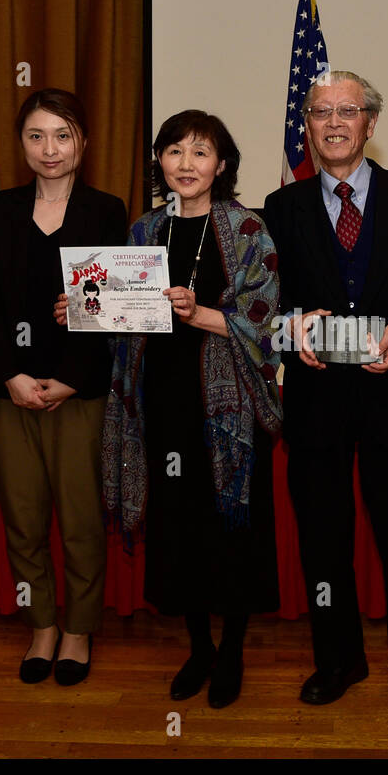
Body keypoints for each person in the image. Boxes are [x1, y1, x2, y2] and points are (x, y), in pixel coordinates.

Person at [261, 70, 388, 719]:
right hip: (317, 402)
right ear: (310, 127)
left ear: (370, 124)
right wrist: (290, 326)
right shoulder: (279, 208)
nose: (334, 122)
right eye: (321, 111)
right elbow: (262, 303)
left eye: (347, 110)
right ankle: (338, 659)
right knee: (323, 541)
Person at [96, 110, 282, 709]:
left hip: (229, 410)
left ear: (221, 165)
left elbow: (267, 321)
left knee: (230, 529)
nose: (186, 163)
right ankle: (198, 646)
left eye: (200, 153)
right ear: (160, 162)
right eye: (174, 151)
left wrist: (200, 313)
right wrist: (84, 308)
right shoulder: (142, 232)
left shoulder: (249, 229)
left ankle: (231, 650)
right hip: (163, 400)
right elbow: (119, 320)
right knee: (181, 527)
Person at [0, 89, 128, 686]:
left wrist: (69, 380)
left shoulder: (106, 210)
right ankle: (41, 622)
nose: (49, 149)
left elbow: (109, 309)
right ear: (22, 145)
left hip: (78, 392)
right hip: (7, 390)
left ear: (83, 143)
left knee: (82, 518)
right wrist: (10, 375)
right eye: (37, 136)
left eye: (62, 136)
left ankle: (79, 627)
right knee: (23, 515)